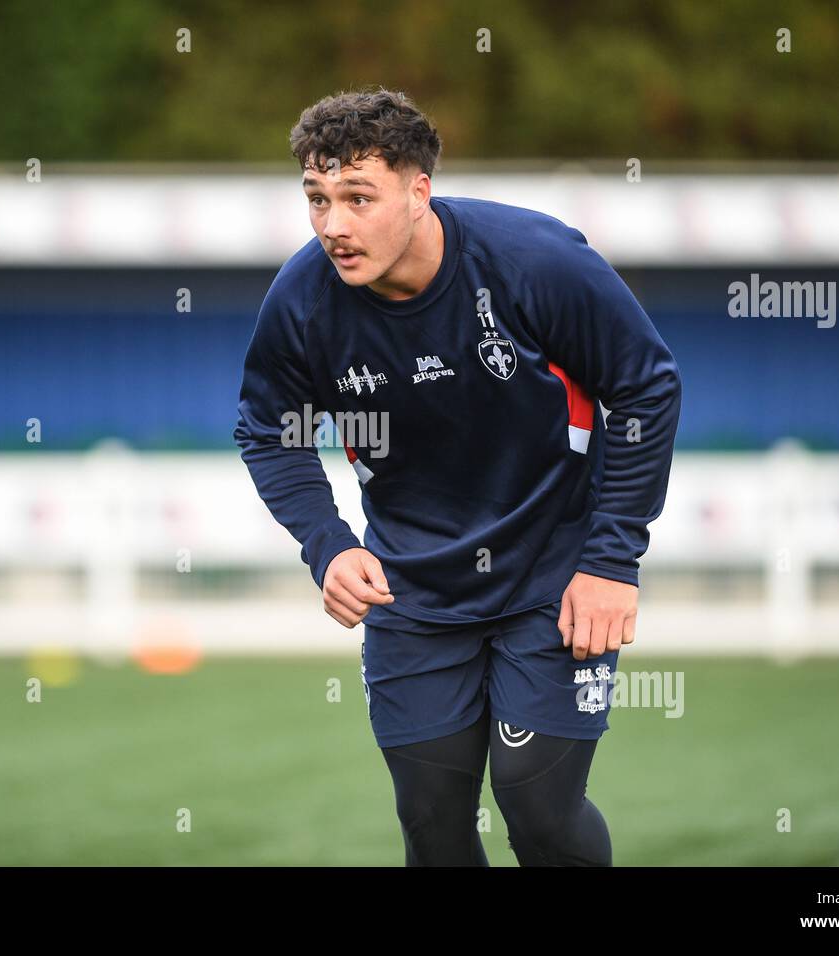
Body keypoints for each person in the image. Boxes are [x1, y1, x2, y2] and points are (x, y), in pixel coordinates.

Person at [233, 87, 682, 866]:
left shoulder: (535, 261)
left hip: (555, 580)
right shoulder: (303, 301)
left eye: (357, 197)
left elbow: (645, 385)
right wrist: (329, 547)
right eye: (317, 199)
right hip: (414, 591)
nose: (334, 225)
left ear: (418, 192)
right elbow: (268, 430)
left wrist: (612, 561)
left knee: (538, 807)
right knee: (434, 827)